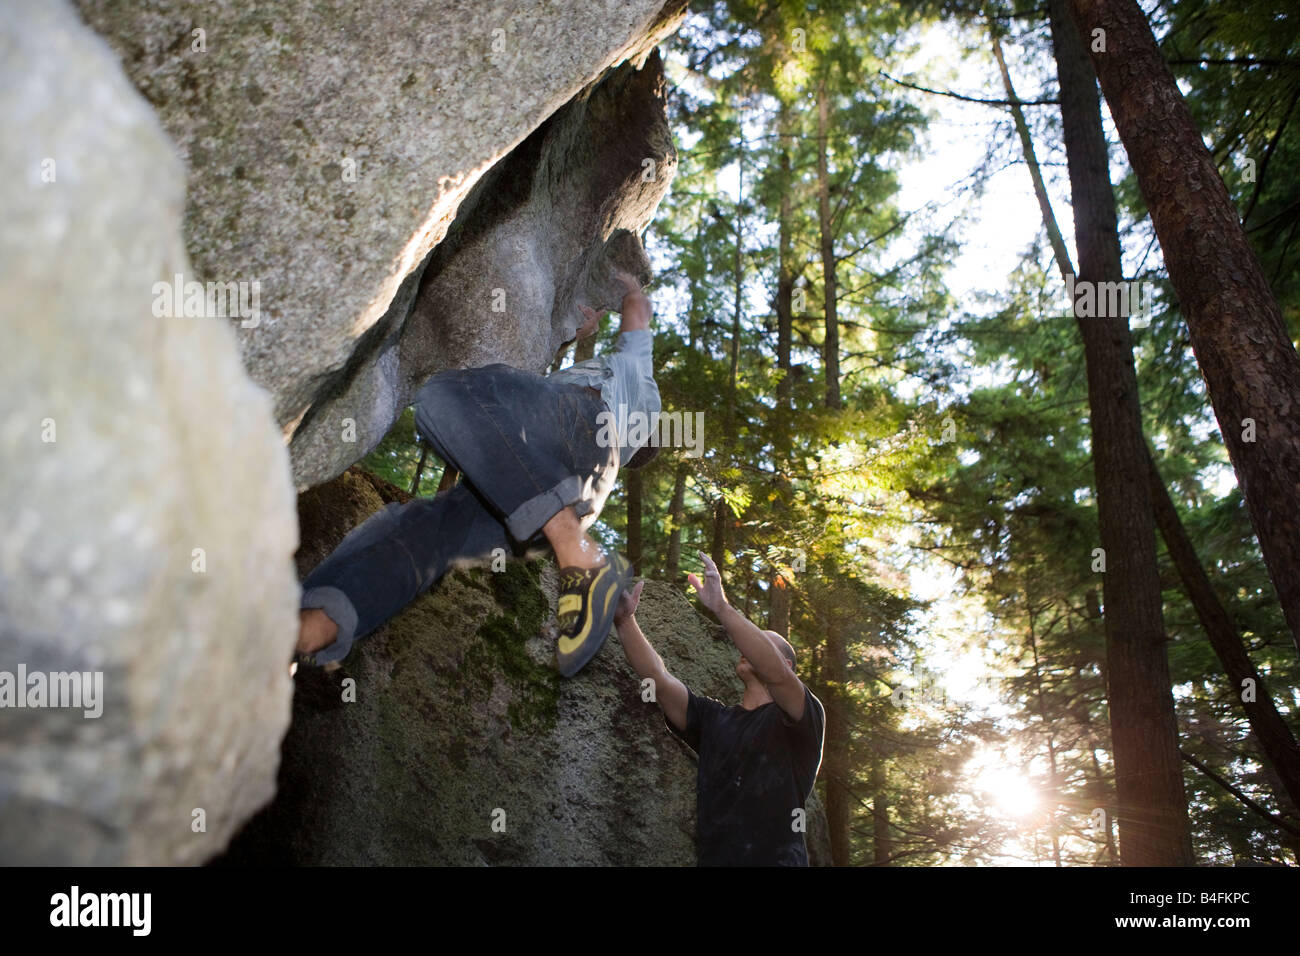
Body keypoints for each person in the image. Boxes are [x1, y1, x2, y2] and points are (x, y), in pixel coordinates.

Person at [295, 270, 659, 678]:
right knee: (429, 533)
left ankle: (579, 553)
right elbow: (518, 429)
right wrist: (574, 334)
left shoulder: (639, 381)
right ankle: (313, 629)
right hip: (569, 495)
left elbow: (638, 317)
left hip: (581, 433)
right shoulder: (603, 460)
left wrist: (628, 286)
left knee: (449, 395)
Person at [614, 551, 826, 865]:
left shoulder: (801, 718)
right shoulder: (713, 719)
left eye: (760, 643)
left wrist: (721, 607)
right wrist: (625, 620)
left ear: (788, 665)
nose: (745, 647)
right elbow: (658, 679)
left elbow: (776, 674)